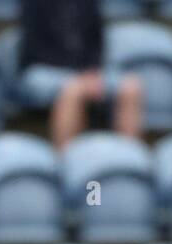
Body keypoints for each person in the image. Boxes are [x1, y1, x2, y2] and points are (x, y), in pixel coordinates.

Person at [17, 0, 142, 150]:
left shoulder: (89, 3)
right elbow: (35, 49)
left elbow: (97, 43)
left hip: (84, 71)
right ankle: (68, 161)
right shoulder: (33, 4)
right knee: (73, 90)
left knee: (131, 86)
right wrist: (78, 77)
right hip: (42, 69)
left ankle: (129, 160)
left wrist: (92, 72)